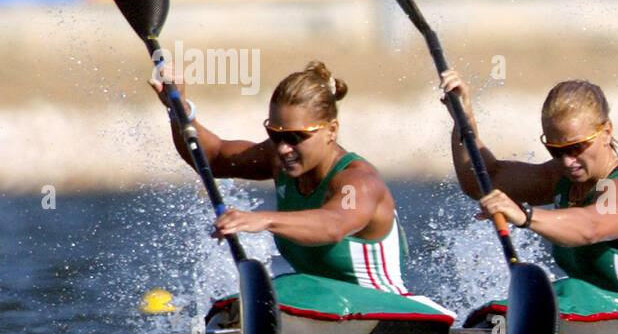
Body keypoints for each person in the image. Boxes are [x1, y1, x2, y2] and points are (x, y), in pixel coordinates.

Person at [151, 60, 420, 296]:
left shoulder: (357, 183)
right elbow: (213, 158)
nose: (282, 148)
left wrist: (265, 219)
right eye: (275, 134)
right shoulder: (279, 159)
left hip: (386, 314)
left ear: (331, 131)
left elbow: (335, 224)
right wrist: (179, 108)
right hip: (323, 307)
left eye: (294, 137)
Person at [441, 70, 618, 303]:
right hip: (591, 320)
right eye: (555, 150)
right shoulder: (560, 178)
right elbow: (482, 181)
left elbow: (590, 227)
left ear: (606, 132)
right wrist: (464, 120)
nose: (567, 161)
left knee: (567, 289)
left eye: (576, 147)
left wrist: (525, 215)